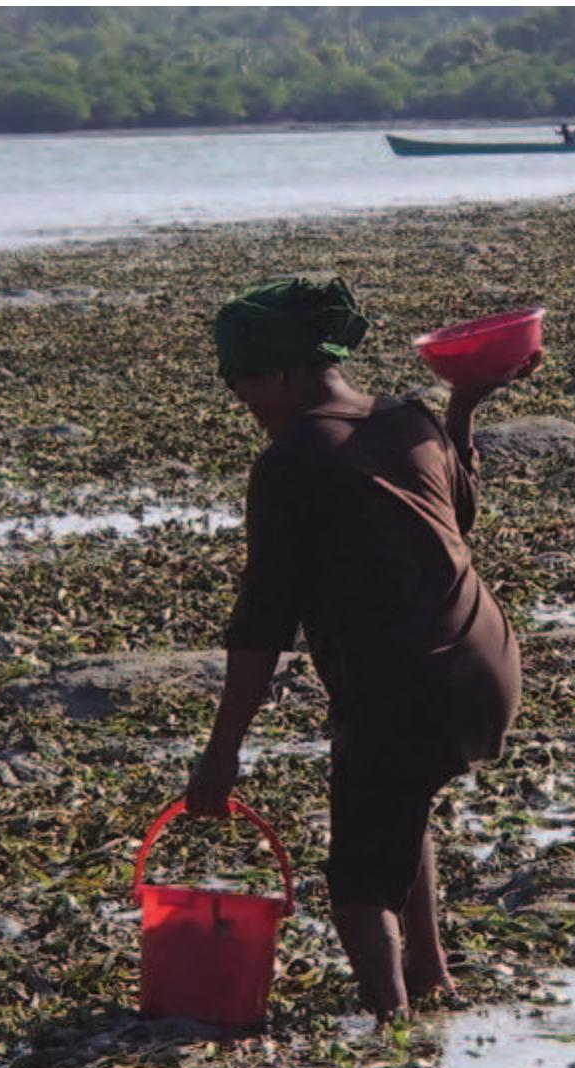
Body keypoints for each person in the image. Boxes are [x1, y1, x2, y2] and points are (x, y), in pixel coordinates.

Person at [185, 274, 529, 1021]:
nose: (248, 411)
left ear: (282, 372)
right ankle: (431, 973)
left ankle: (394, 1033)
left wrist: (223, 751)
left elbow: (260, 623)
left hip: (405, 680)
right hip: (484, 660)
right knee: (397, 809)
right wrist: (462, 407)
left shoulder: (291, 462)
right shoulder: (406, 418)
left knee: (356, 887)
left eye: (247, 391)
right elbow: (459, 510)